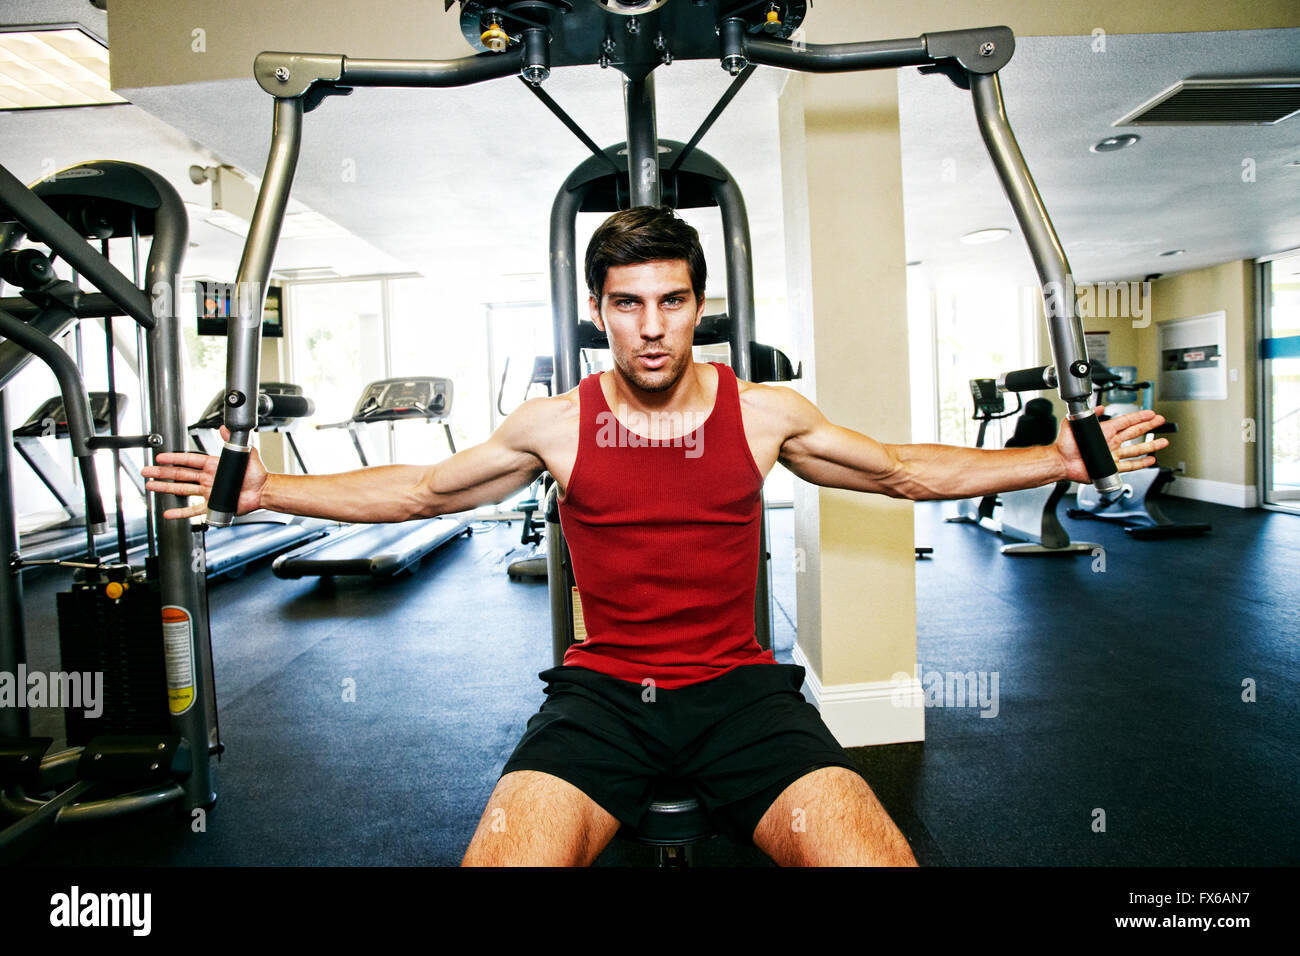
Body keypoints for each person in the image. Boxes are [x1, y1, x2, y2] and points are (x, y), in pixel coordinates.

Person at [143, 206, 1168, 867]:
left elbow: (905, 468)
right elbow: (419, 489)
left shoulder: (765, 411)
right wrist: (269, 486)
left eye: (670, 301)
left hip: (740, 694)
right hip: (600, 696)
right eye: (627, 303)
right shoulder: (553, 422)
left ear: (697, 306)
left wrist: (1057, 461)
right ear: (598, 311)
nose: (650, 326)